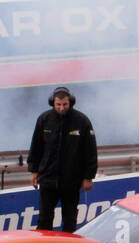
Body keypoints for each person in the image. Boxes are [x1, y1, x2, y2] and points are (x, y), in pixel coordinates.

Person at [28, 86, 98, 233]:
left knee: (70, 219)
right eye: (58, 105)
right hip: (47, 179)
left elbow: (90, 151)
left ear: (70, 102)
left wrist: (88, 177)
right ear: (52, 103)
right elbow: (36, 147)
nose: (61, 108)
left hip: (71, 181)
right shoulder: (44, 119)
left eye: (64, 104)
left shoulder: (82, 121)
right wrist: (33, 171)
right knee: (44, 218)